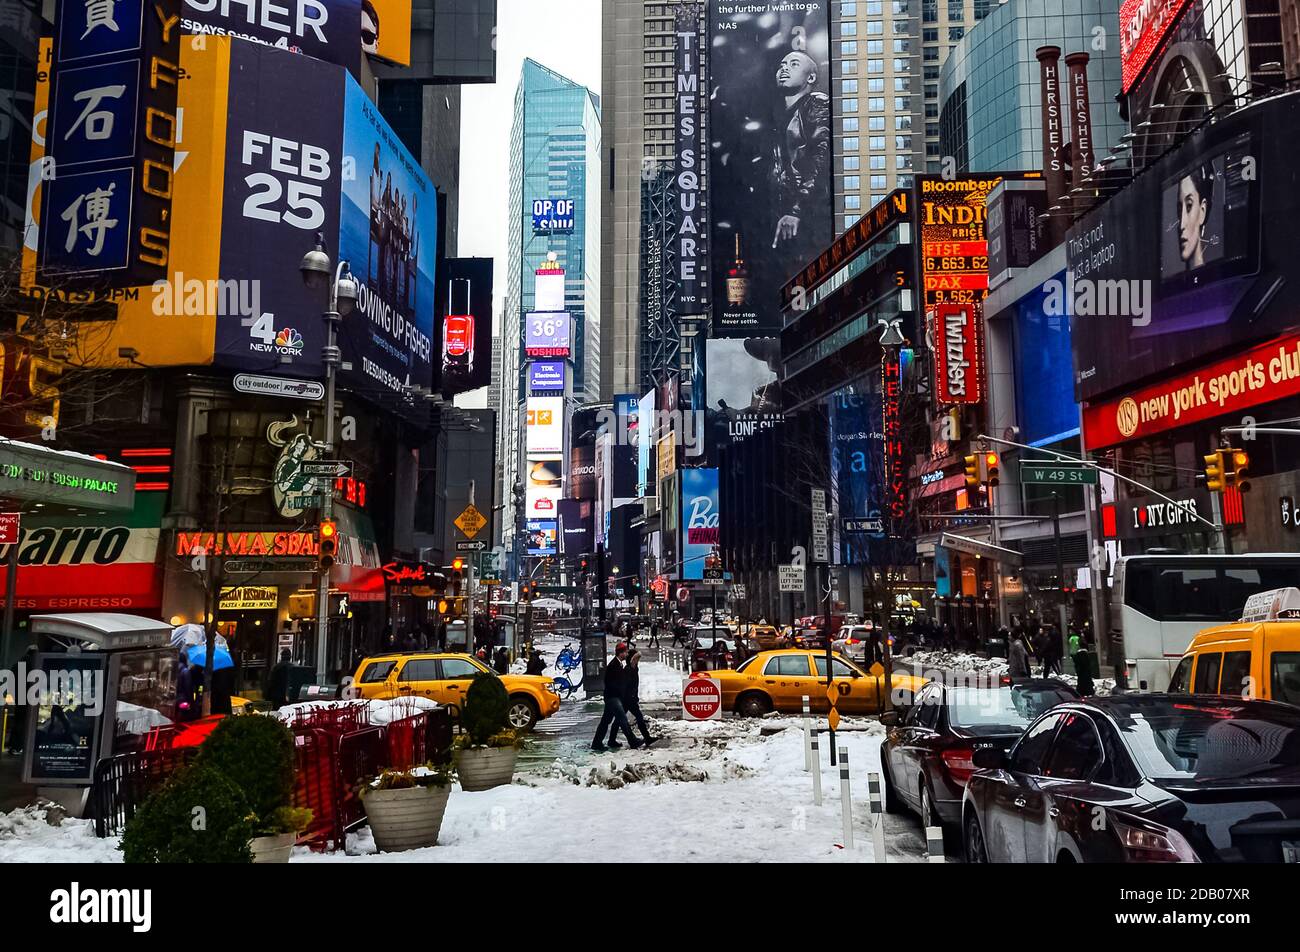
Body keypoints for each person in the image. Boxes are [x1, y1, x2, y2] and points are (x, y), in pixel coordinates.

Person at [591, 643, 640, 752]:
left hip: (612, 698)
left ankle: (597, 743)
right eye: (625, 652)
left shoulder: (618, 665)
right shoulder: (613, 665)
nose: (627, 654)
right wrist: (619, 693)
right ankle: (633, 741)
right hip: (613, 698)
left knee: (605, 721)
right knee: (622, 719)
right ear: (621, 653)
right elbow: (611, 683)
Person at [621, 650, 656, 747]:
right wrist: (630, 697)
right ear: (632, 659)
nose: (638, 660)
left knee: (620, 719)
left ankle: (647, 738)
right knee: (637, 717)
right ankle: (647, 738)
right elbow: (627, 686)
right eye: (636, 658)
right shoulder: (628, 670)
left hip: (631, 698)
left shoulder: (635, 668)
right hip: (628, 699)